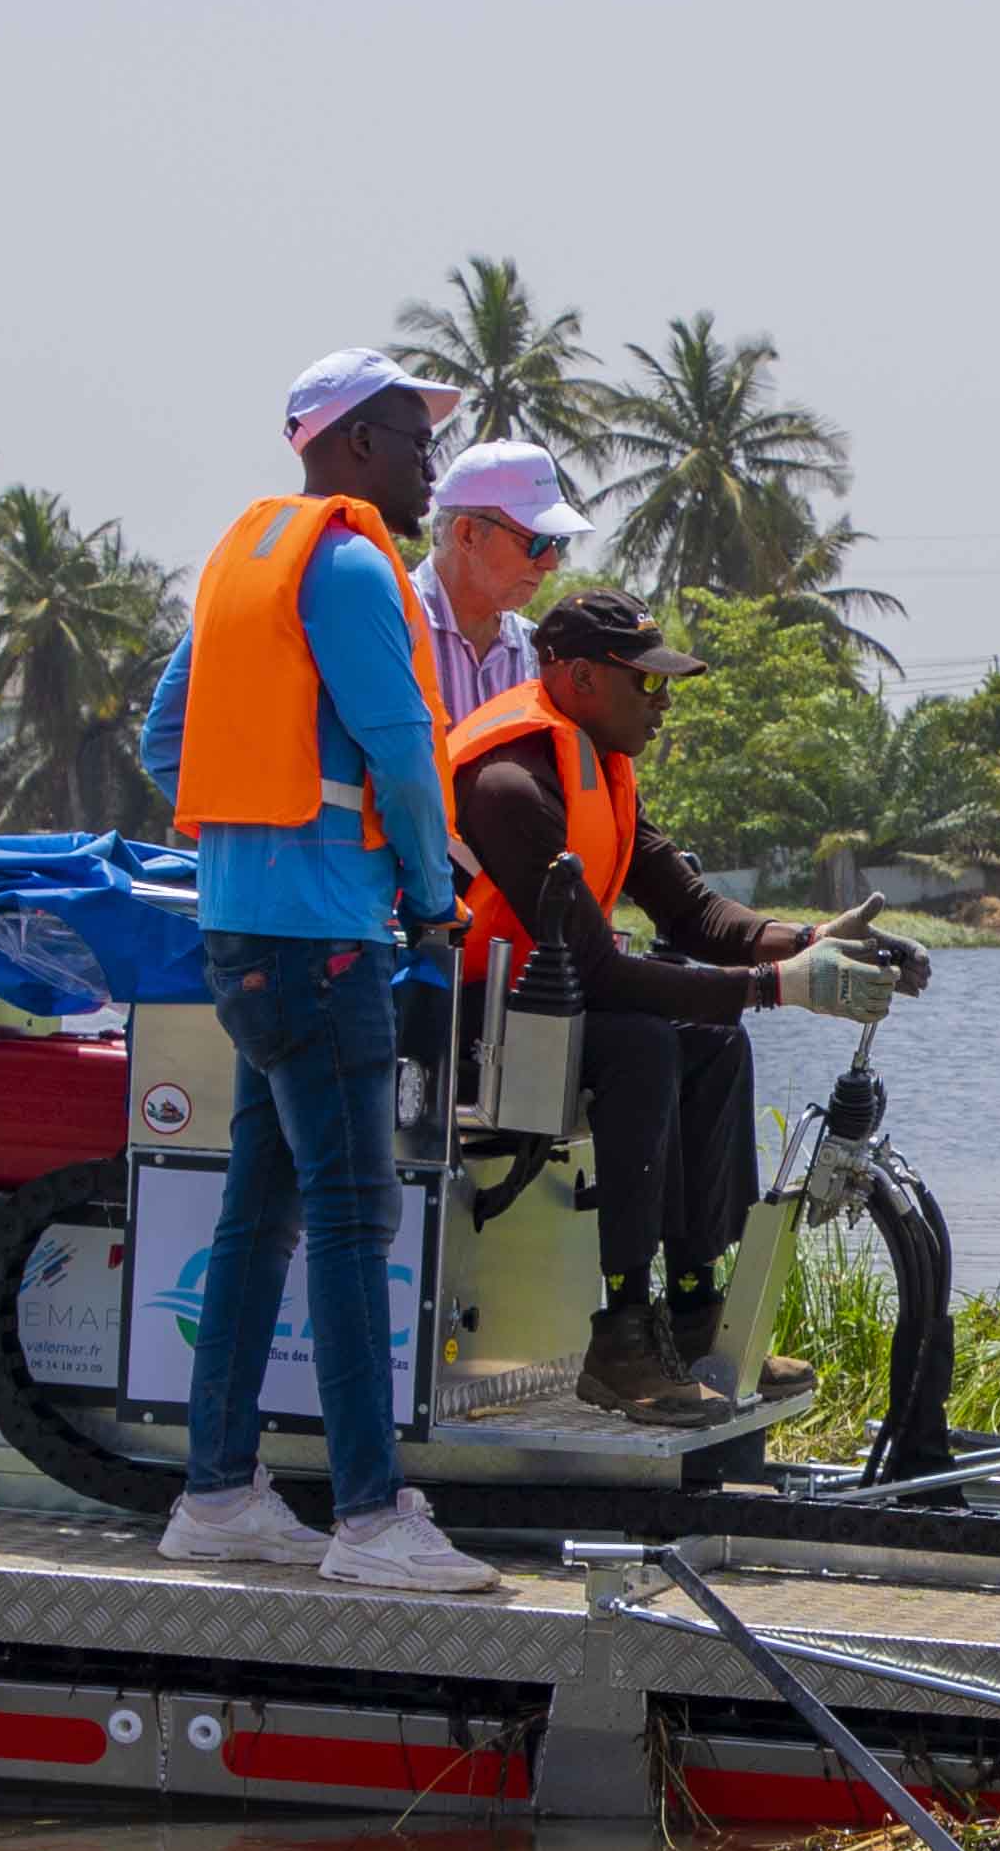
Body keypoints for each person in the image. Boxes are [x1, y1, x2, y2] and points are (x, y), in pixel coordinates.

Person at [123, 348, 495, 1595]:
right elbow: (401, 747)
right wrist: (434, 906)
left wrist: (249, 837)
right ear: (347, 446)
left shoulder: (243, 563)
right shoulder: (347, 564)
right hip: (331, 938)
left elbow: (163, 739)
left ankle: (219, 1493)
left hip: (244, 935)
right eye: (410, 436)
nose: (428, 461)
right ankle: (372, 1520)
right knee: (351, 1219)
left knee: (261, 1210)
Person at [442, 585, 912, 1421]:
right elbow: (598, 971)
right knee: (643, 1045)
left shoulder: (601, 766)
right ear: (582, 678)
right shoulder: (511, 785)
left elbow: (695, 915)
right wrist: (778, 987)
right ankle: (622, 1332)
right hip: (462, 1021)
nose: (663, 704)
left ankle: (697, 1309)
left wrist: (811, 940)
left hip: (544, 1009)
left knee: (714, 1044)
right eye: (647, 684)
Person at [418, 443, 582, 732]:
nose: (551, 562)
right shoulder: (390, 621)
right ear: (467, 534)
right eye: (537, 543)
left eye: (558, 542)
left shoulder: (534, 649)